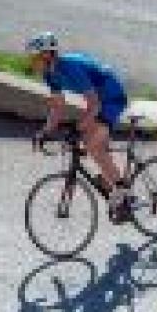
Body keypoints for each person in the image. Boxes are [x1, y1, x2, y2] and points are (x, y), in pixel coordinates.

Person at [25, 33, 133, 221]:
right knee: (93, 145)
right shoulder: (49, 74)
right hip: (98, 101)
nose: (31, 62)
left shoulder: (70, 67)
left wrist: (79, 127)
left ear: (47, 55)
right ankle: (112, 184)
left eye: (34, 57)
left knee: (92, 145)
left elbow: (95, 105)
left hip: (112, 98)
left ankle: (124, 194)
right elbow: (58, 105)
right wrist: (45, 132)